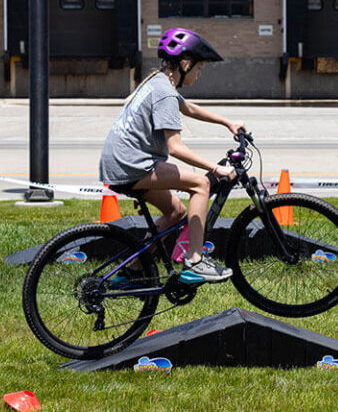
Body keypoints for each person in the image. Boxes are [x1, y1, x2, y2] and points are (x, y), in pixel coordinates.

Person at [99, 28, 244, 283]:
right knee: (201, 184)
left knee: (175, 211)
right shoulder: (164, 92)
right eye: (199, 68)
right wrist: (216, 168)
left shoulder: (156, 80)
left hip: (122, 162)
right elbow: (175, 147)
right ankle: (195, 261)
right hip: (132, 165)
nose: (199, 75)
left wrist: (227, 122)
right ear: (185, 64)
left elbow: (188, 107)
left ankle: (131, 270)